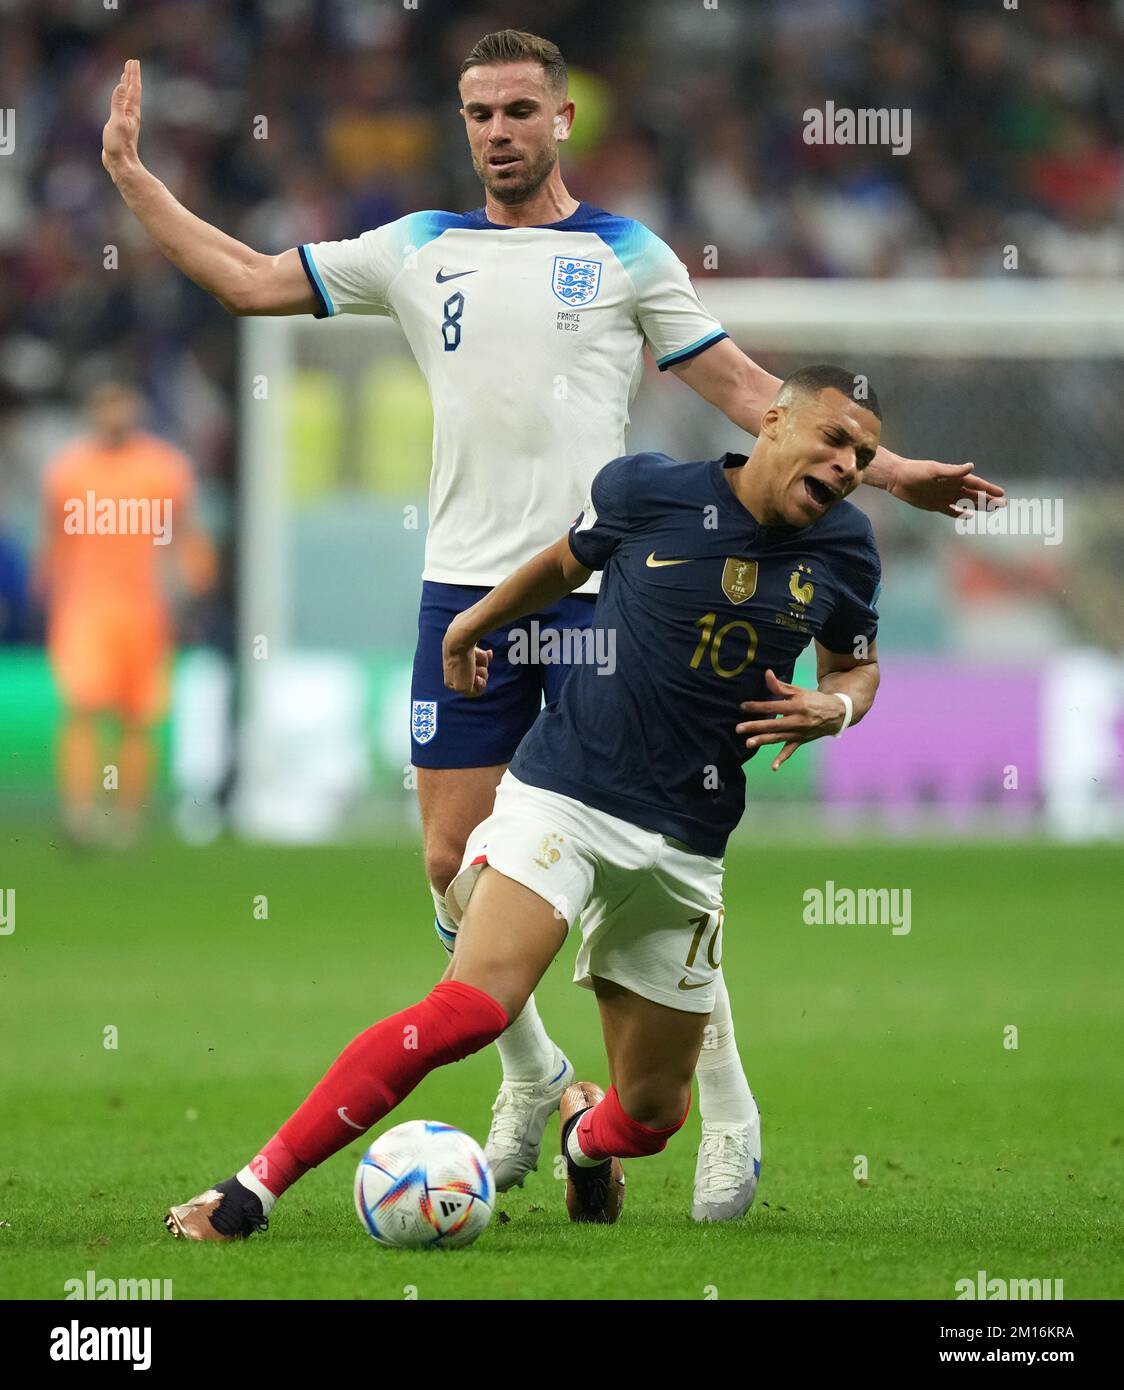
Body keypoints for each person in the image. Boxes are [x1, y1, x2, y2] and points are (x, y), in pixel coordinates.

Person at [103, 29, 998, 1219]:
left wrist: (893, 471)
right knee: (447, 865)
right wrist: (135, 181)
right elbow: (250, 281)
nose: (498, 132)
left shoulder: (628, 255)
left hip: (601, 592)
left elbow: (759, 403)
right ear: (463, 122)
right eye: (478, 113)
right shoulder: (416, 247)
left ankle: (722, 1108)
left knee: (650, 839)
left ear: (562, 117)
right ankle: (533, 1080)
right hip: (465, 590)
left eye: (520, 110)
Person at [165, 364, 883, 1239]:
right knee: (471, 1008)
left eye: (865, 456)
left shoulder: (847, 549)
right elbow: (558, 564)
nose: (848, 465)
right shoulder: (647, 489)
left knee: (654, 1117)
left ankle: (584, 1138)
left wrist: (837, 705)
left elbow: (855, 663)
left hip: (689, 845)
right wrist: (473, 625)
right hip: (564, 798)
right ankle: (251, 1191)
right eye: (836, 439)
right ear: (774, 420)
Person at [35, 381, 213, 847]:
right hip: (84, 607)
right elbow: (55, 539)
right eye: (106, 403)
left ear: (135, 408)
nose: (115, 412)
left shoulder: (164, 469)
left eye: (122, 402)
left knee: (139, 716)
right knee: (83, 706)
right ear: (94, 410)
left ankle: (126, 819)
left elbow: (185, 535)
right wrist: (44, 589)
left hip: (145, 609)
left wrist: (192, 585)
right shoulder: (68, 470)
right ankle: (80, 813)